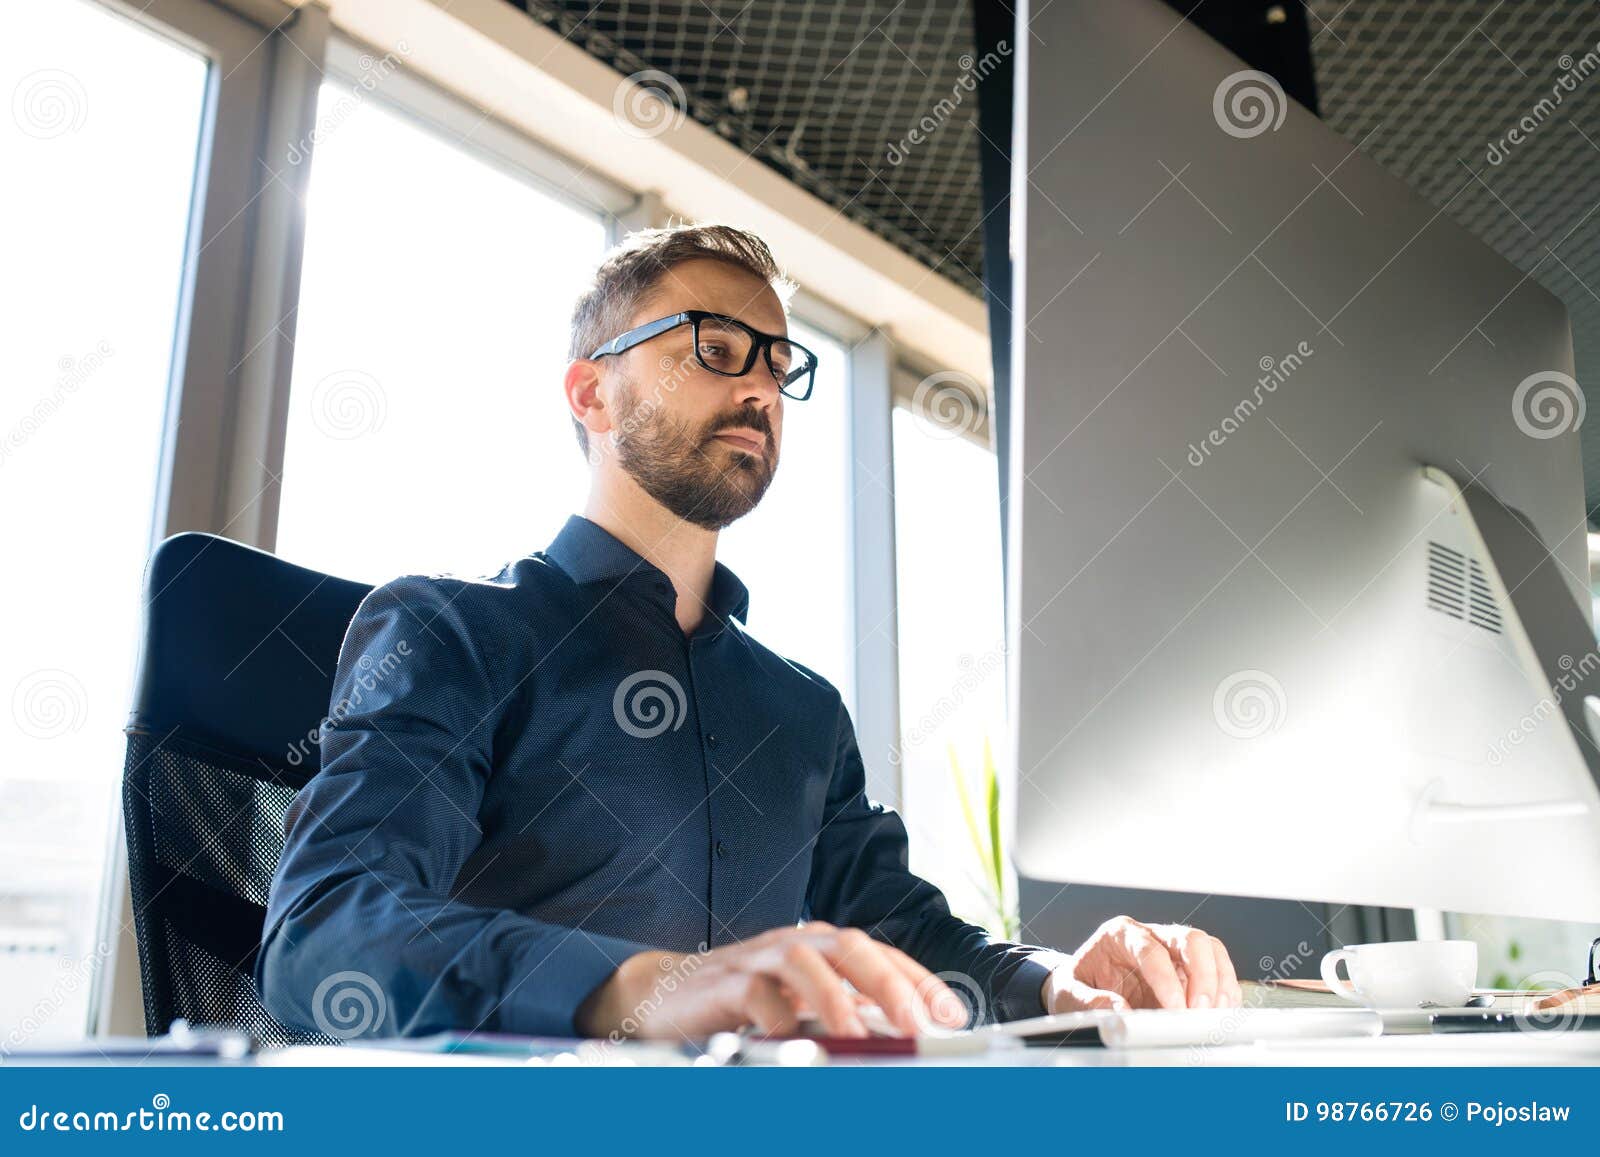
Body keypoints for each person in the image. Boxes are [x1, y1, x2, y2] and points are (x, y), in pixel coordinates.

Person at [257, 223, 1241, 1041]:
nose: (761, 388)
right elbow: (321, 930)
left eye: (778, 361)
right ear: (590, 392)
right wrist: (648, 986)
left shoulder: (802, 712)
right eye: (715, 349)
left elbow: (902, 933)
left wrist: (1059, 979)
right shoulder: (449, 630)